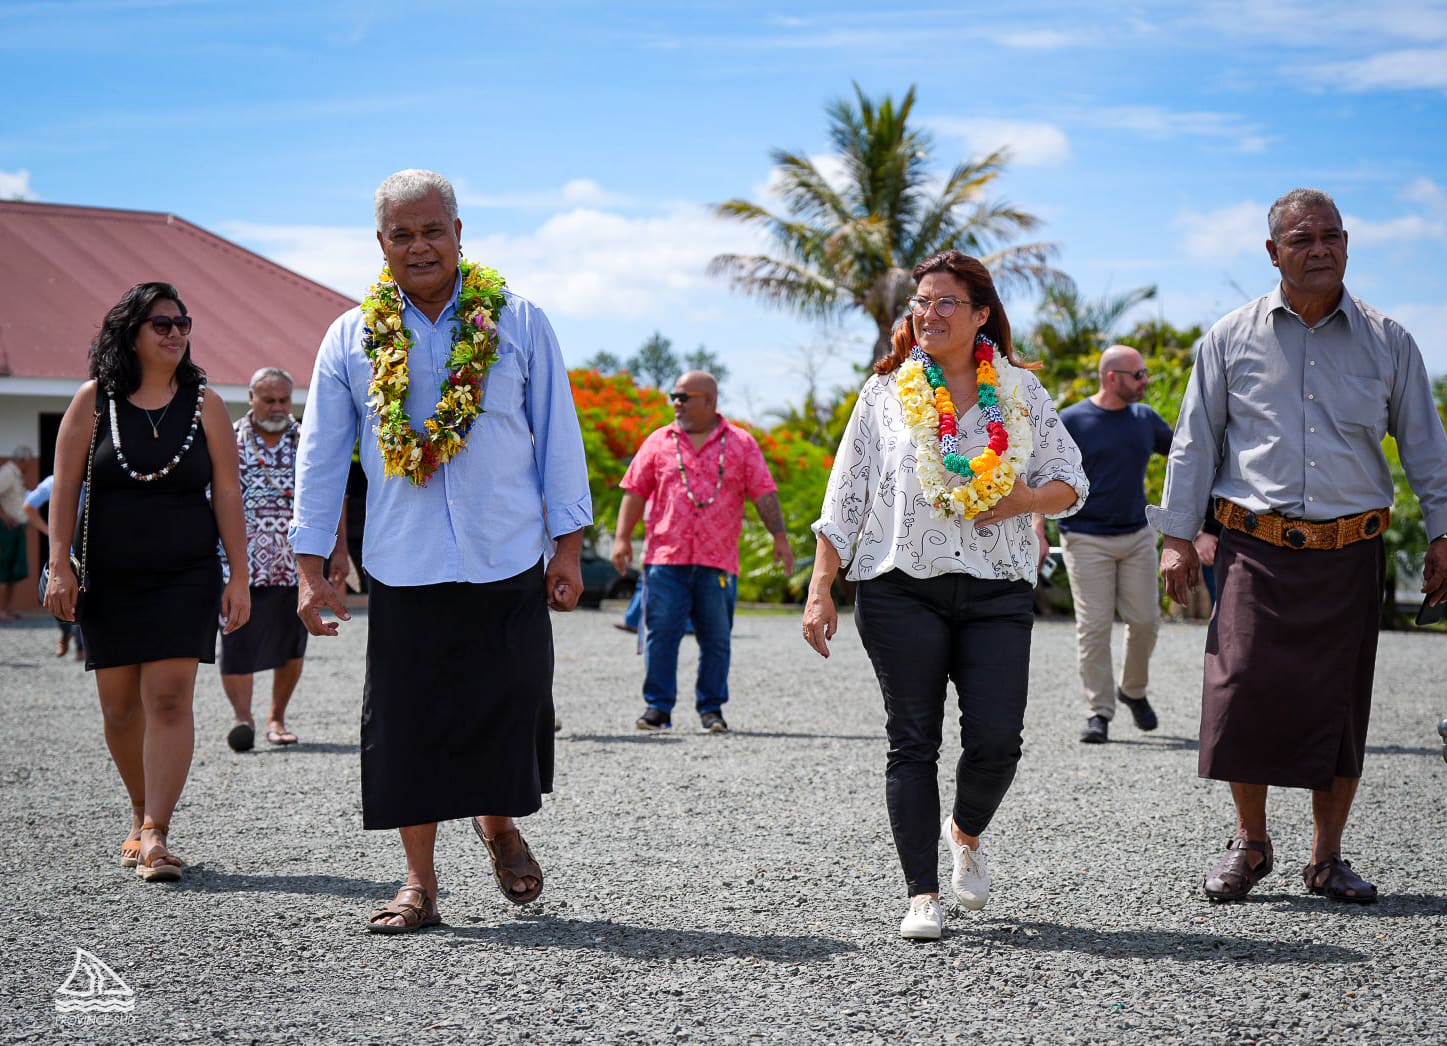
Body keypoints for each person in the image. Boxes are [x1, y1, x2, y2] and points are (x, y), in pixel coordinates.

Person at [1151, 188, 1447, 905]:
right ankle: (1252, 843)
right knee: (1240, 695)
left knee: (1340, 707)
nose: (1320, 249)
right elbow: (1193, 445)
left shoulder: (1390, 340)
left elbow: (1427, 446)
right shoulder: (1229, 336)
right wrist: (1177, 537)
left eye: (1331, 236)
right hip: (1253, 550)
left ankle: (1328, 858)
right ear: (1274, 253)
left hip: (1350, 553)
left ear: (1348, 243)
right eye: (1303, 240)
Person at [290, 169, 591, 934]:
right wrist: (309, 570)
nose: (419, 246)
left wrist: (569, 548)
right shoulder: (350, 335)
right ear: (381, 244)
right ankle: (419, 884)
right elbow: (322, 457)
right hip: (404, 561)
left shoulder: (518, 321)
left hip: (508, 554)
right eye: (402, 234)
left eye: (432, 230)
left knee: (509, 706)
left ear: (460, 233)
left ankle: (497, 827)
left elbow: (559, 437)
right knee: (408, 723)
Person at [804, 250, 1089, 940]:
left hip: (997, 591)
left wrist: (1025, 496)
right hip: (899, 586)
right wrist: (820, 589)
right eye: (920, 303)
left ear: (981, 314)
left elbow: (1072, 484)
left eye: (944, 303)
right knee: (912, 741)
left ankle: (964, 830)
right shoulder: (886, 393)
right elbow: (846, 495)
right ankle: (921, 895)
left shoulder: (1021, 389)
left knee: (997, 742)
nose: (927, 314)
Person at [42, 282, 250, 883]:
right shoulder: (93, 400)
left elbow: (228, 493)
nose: (176, 333)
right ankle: (138, 808)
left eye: (183, 323)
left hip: (185, 573)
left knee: (167, 697)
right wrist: (59, 564)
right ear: (130, 333)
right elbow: (65, 487)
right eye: (161, 324)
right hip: (109, 575)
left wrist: (237, 574)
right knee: (119, 708)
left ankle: (157, 829)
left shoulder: (206, 404)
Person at [611, 370, 794, 734]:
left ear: (709, 400)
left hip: (718, 561)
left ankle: (711, 710)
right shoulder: (658, 442)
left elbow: (763, 491)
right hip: (665, 559)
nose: (675, 403)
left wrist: (780, 536)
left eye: (683, 397)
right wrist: (621, 539)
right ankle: (657, 709)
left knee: (716, 639)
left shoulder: (741, 443)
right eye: (673, 397)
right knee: (661, 635)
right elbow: (635, 490)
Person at [1047, 346, 1172, 744]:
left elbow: (1186, 457)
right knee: (1095, 627)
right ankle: (1098, 711)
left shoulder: (1145, 419)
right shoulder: (1073, 421)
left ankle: (1132, 691)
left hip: (1137, 535)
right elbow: (1044, 472)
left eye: (1145, 373)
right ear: (1111, 377)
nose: (1145, 380)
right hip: (1085, 537)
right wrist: (1036, 526)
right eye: (1137, 374)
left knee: (1146, 622)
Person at [219, 366, 349, 752]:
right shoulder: (229, 439)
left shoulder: (308, 438)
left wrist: (339, 550)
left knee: (292, 643)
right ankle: (243, 719)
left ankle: (277, 717)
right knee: (236, 639)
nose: (278, 407)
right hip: (240, 563)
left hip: (297, 562)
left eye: (284, 400)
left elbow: (333, 493)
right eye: (269, 399)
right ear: (251, 398)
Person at [24, 473, 86, 659]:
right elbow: (28, 506)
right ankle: (66, 634)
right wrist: (49, 533)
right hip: (65, 553)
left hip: (91, 551)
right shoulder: (54, 482)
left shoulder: (98, 480)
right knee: (59, 597)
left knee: (84, 601)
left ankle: (80, 645)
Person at [0, 446, 33, 620]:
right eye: (27, 462)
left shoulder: (17, 475)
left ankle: (8, 608)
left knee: (13, 570)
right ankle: (1, 610)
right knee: (4, 569)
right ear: (22, 461)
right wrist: (4, 516)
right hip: (7, 529)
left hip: (18, 527)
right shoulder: (7, 473)